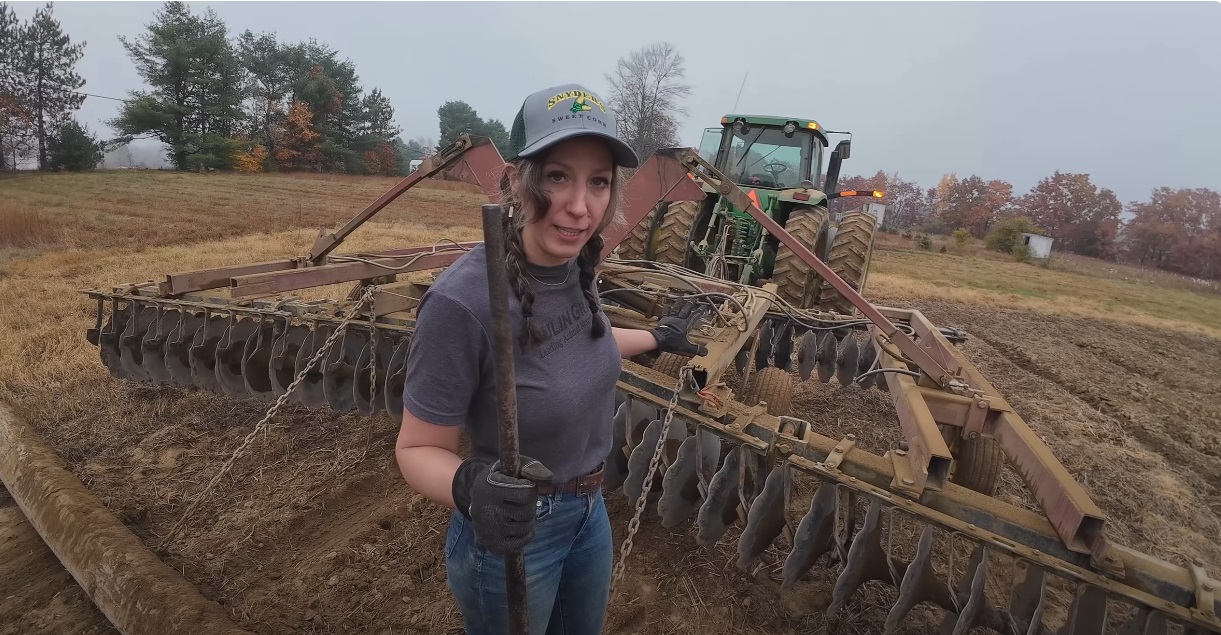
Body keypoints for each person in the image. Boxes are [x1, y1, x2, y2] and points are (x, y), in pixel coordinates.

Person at [394, 83, 708, 635]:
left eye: (599, 182)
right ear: (517, 179)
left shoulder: (576, 267)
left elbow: (581, 348)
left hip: (589, 514)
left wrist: (656, 337)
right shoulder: (464, 303)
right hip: (514, 533)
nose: (580, 206)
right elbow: (417, 449)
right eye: (558, 176)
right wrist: (469, 487)